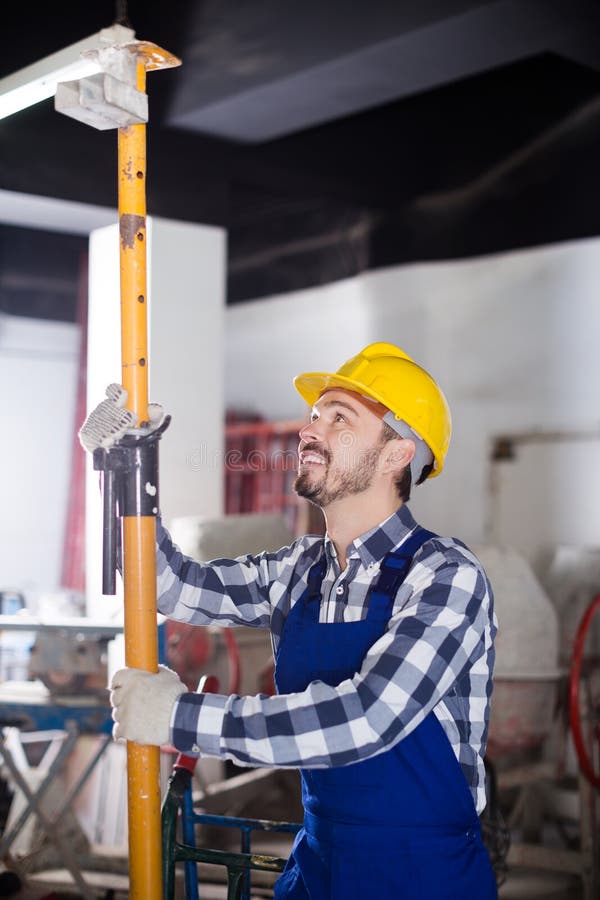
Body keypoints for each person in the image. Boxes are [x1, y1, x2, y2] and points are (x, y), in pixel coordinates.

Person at [82, 341, 497, 899]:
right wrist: (126, 471)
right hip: (319, 867)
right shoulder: (298, 571)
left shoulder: (446, 575)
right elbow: (168, 585)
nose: (310, 430)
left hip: (420, 876)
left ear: (399, 452)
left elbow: (367, 718)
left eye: (339, 418)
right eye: (313, 416)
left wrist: (180, 718)